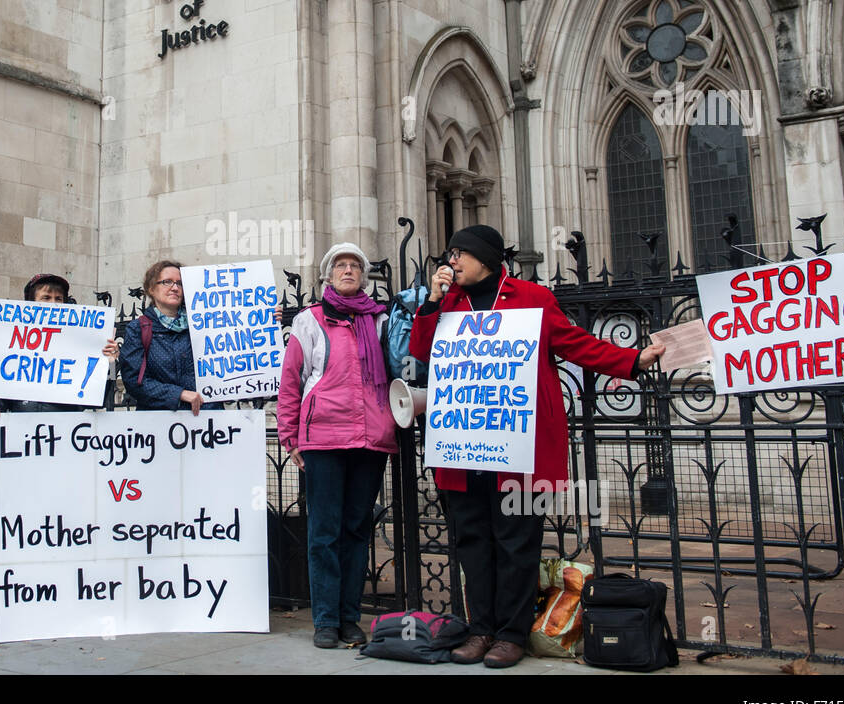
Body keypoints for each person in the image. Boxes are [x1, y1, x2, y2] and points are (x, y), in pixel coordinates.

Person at [408, 225, 664, 668]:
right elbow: (422, 350)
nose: (451, 261)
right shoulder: (448, 303)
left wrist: (631, 360)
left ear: (486, 258)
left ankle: (511, 634)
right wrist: (431, 302)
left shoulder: (533, 298)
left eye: (460, 253)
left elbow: (576, 344)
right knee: (473, 543)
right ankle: (481, 629)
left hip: (517, 448)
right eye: (450, 254)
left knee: (516, 544)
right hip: (463, 447)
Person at [276, 243, 397, 648]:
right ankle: (325, 620)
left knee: (356, 530)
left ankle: (349, 618)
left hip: (370, 436)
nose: (348, 271)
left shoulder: (380, 320)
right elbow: (291, 379)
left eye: (355, 266)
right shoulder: (309, 320)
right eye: (341, 266)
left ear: (363, 276)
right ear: (328, 276)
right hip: (324, 437)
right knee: (324, 532)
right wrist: (289, 434)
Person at [0, 273, 118, 421]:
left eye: (58, 299)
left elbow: (97, 398)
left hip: (64, 427)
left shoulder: (78, 343)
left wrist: (110, 364)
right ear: (31, 303)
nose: (53, 303)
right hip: (22, 427)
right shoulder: (14, 342)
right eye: (46, 298)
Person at [119, 259, 218, 414]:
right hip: (160, 420)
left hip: (207, 416)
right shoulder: (138, 329)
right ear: (151, 289)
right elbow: (134, 381)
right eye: (167, 282)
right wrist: (179, 394)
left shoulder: (202, 325)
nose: (175, 288)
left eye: (180, 283)